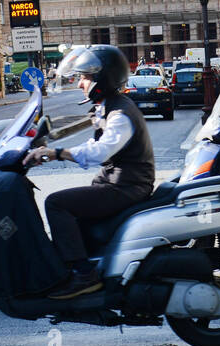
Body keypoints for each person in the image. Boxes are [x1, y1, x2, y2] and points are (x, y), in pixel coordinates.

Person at [24, 45, 155, 300]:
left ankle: (84, 275)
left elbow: (100, 151)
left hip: (127, 187)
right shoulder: (110, 106)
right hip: (118, 183)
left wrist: (57, 153)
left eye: (85, 78)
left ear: (102, 79)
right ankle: (75, 262)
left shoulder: (120, 114)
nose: (80, 84)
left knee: (56, 203)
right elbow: (78, 134)